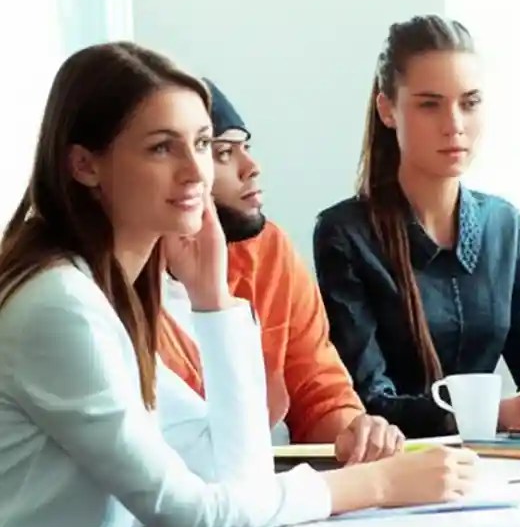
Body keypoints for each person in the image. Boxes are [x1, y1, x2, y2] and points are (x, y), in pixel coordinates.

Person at [0, 41, 475, 527]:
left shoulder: (108, 292)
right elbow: (193, 520)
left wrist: (214, 301)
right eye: (160, 148)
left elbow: (226, 465)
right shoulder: (59, 306)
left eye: (202, 144)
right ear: (83, 164)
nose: (195, 170)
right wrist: (376, 485)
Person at [314, 15, 520, 438]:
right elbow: (369, 403)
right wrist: (490, 415)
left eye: (470, 102)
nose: (454, 123)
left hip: (498, 465)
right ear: (388, 110)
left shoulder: (506, 226)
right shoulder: (344, 235)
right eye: (429, 104)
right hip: (396, 470)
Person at [156, 79, 399, 464]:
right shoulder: (114, 286)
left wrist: (357, 432)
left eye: (245, 148)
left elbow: (318, 389)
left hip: (278, 487)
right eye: (221, 152)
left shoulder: (268, 250)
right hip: (208, 499)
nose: (252, 168)